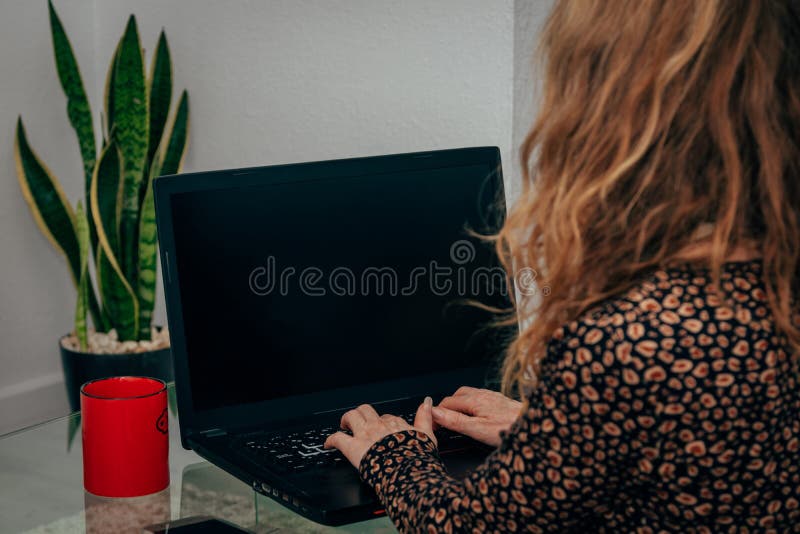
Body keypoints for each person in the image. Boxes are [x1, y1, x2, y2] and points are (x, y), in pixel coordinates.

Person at [325, 0, 800, 531]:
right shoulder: (774, 279)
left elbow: (469, 528)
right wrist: (555, 433)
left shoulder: (632, 337)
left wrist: (394, 453)